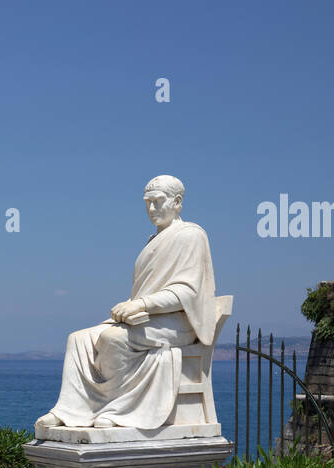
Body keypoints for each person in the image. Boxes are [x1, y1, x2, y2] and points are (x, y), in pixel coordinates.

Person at [37, 174, 217, 430]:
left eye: (158, 201)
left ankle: (119, 410)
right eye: (147, 203)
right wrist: (130, 307)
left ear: (177, 202)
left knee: (113, 339)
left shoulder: (192, 235)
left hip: (177, 322)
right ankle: (72, 411)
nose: (151, 209)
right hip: (150, 317)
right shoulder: (153, 241)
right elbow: (149, 289)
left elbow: (187, 291)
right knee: (77, 339)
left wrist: (142, 304)